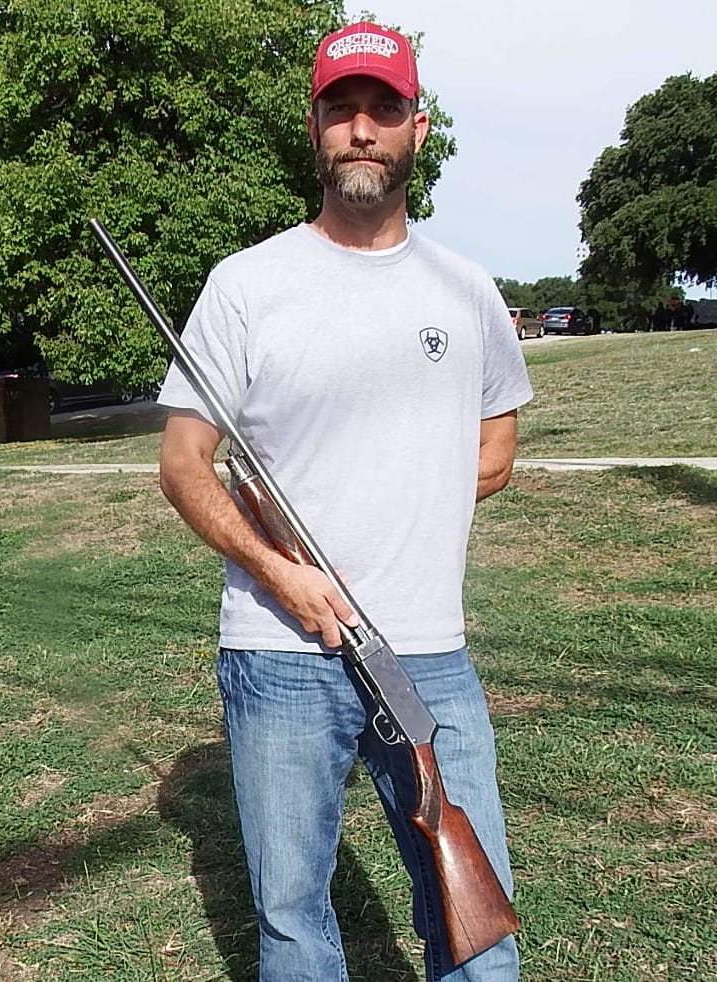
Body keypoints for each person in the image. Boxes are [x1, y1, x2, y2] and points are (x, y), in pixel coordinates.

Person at [156, 21, 533, 982]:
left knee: (478, 934)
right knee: (290, 919)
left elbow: (496, 447)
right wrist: (282, 570)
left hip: (430, 653)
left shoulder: (466, 290)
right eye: (341, 108)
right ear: (316, 125)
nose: (361, 129)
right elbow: (186, 463)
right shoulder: (246, 286)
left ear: (417, 125)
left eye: (383, 108)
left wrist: (404, 500)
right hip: (279, 654)